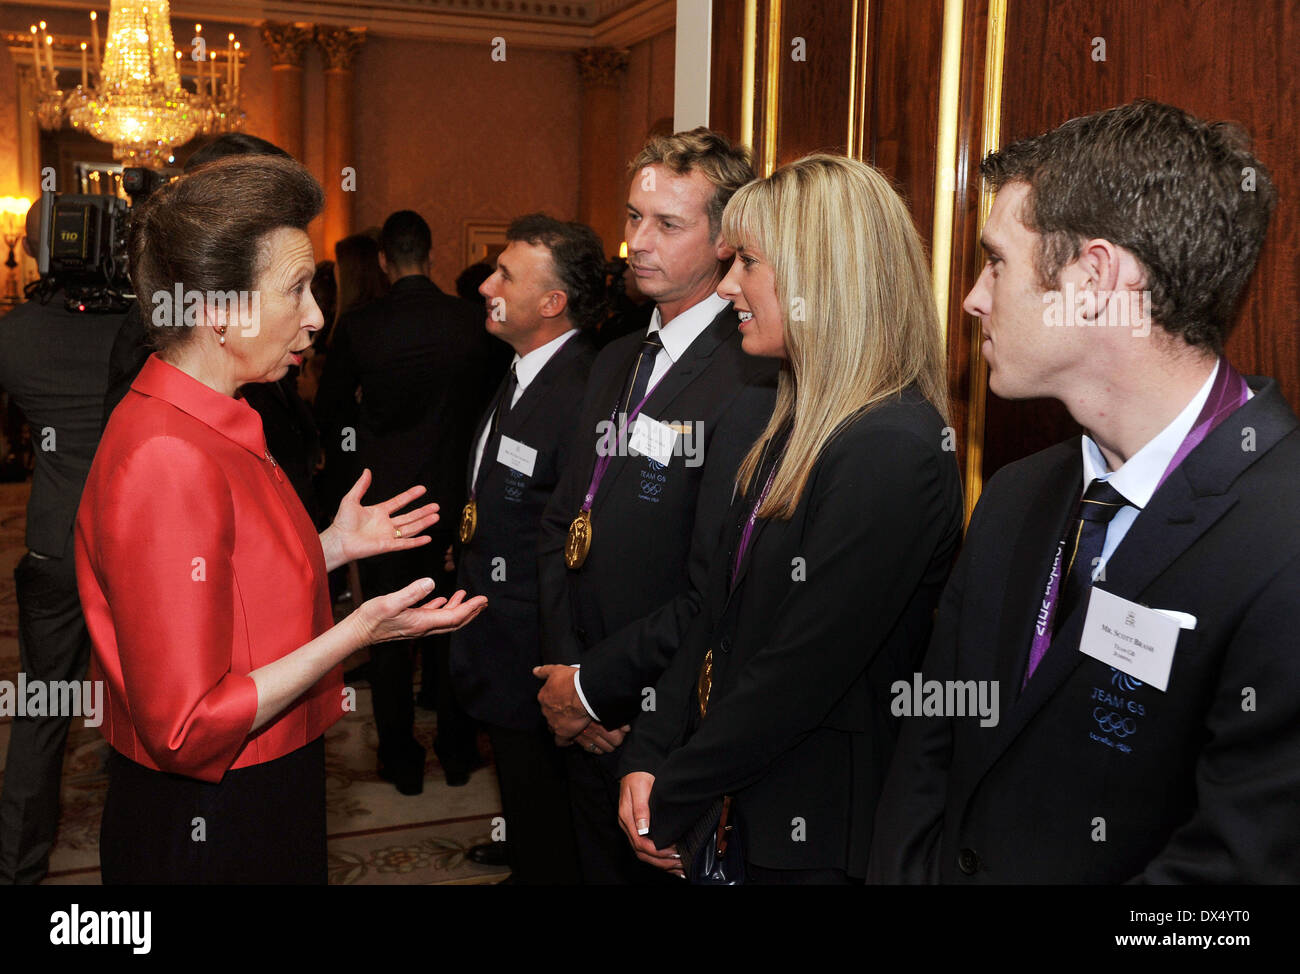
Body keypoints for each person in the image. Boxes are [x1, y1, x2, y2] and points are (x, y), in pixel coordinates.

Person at [867, 100, 1300, 884]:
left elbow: (1238, 879)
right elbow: (935, 738)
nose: (972, 297)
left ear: (1094, 279)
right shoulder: (1015, 494)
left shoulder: (1283, 534)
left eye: (996, 262)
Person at [75, 156, 486, 883]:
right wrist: (359, 631)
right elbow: (185, 727)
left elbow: (216, 584)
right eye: (295, 291)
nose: (318, 317)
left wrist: (326, 547)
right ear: (216, 309)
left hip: (258, 782)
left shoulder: (217, 414)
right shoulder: (167, 454)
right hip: (213, 816)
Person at [614, 155, 962, 883]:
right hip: (744, 800)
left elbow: (801, 670)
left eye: (747, 262)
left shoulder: (893, 445)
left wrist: (677, 792)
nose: (729, 284)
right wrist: (649, 756)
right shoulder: (788, 419)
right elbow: (714, 611)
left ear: (820, 277)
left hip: (817, 837)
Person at [534, 128, 779, 883]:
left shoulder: (751, 376)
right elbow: (562, 523)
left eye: (666, 224)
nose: (636, 241)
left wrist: (604, 690)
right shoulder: (615, 357)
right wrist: (567, 678)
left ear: (726, 241)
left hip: (665, 723)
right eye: (633, 216)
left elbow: (716, 586)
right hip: (582, 717)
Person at [315, 210, 497, 794]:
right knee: (452, 621)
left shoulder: (362, 325)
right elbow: (492, 408)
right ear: (432, 255)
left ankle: (400, 760)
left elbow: (333, 416)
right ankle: (459, 749)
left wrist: (353, 481)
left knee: (385, 631)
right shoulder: (469, 320)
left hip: (383, 507)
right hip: (456, 496)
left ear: (386, 262)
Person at [448, 214, 604, 883]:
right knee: (525, 796)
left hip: (539, 649)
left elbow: (579, 548)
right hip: (501, 635)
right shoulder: (520, 371)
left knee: (554, 813)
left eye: (505, 274)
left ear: (552, 303)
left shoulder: (581, 390)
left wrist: (573, 669)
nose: (487, 284)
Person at [0, 205, 123, 885]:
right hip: (132, 544)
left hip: (53, 541)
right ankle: (145, 845)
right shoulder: (144, 332)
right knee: (144, 701)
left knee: (43, 709)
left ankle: (17, 867)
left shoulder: (15, 336)